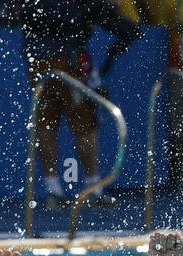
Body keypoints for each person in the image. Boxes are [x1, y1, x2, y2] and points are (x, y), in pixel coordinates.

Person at [13, 0, 140, 209]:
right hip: (70, 58)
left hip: (36, 60)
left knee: (46, 123)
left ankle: (53, 190)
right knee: (84, 123)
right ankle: (93, 189)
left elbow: (17, 12)